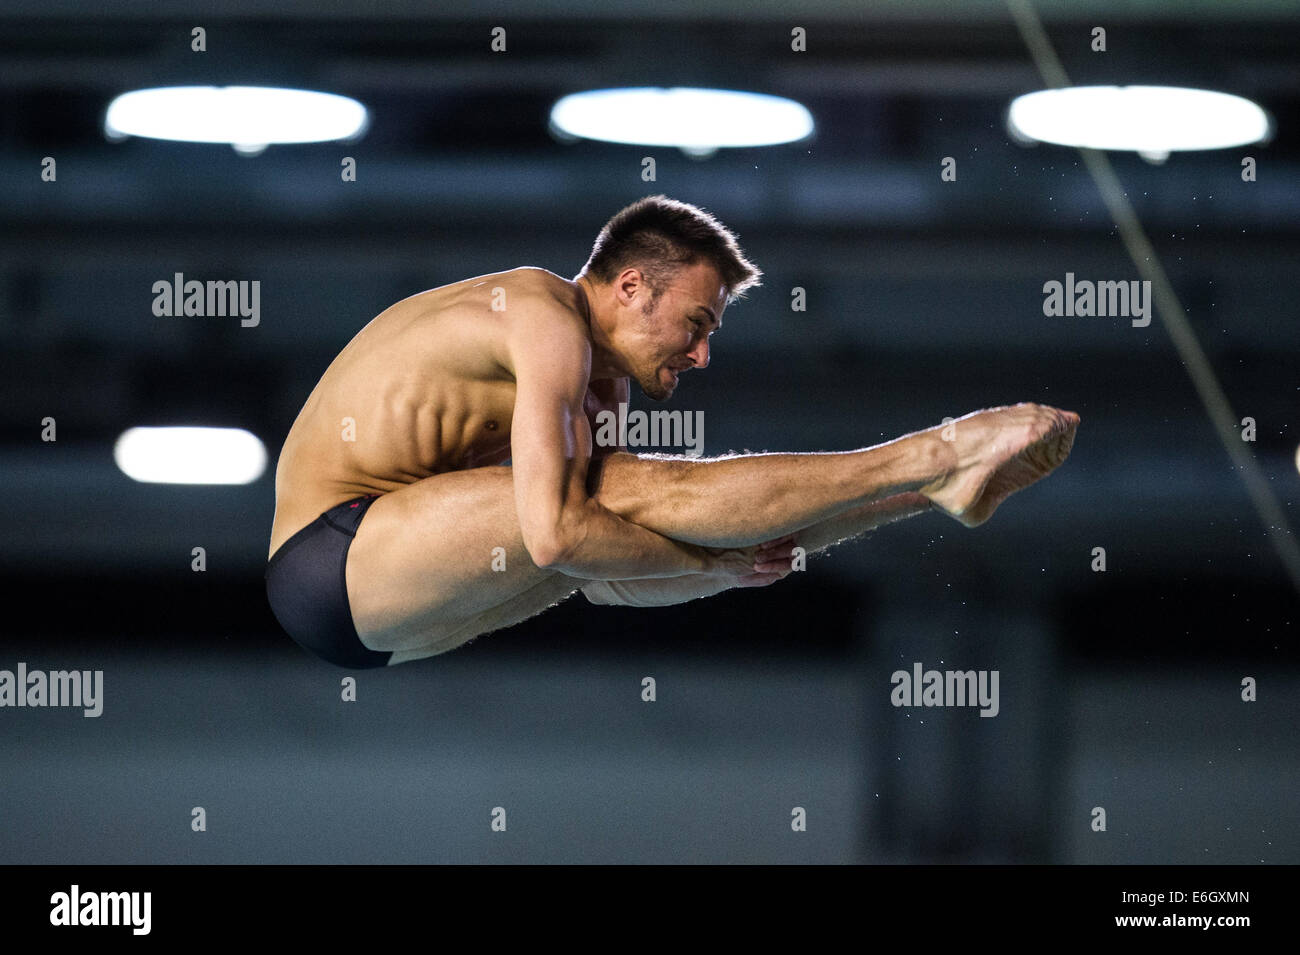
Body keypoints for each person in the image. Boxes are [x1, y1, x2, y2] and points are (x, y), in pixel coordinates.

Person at [265, 194, 1079, 668]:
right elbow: (553, 535)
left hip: (378, 623)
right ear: (629, 286)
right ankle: (939, 449)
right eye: (695, 323)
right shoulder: (545, 321)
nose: (703, 354)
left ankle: (926, 490)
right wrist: (705, 564)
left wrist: (722, 572)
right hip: (330, 554)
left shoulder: (600, 388)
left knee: (637, 516)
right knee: (618, 496)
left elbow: (599, 573)